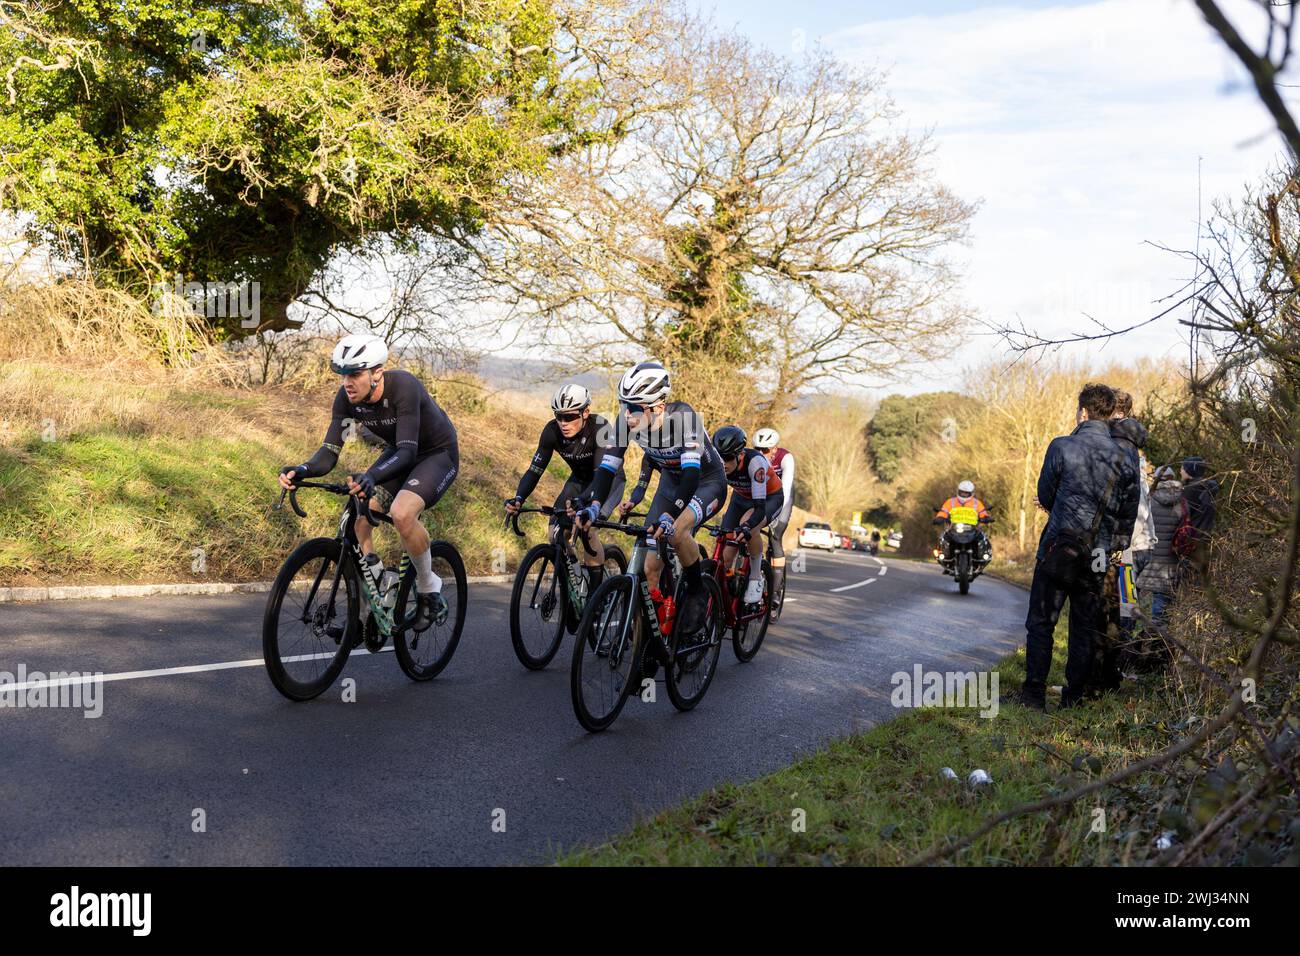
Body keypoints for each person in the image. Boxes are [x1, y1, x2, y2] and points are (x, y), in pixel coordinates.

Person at [279, 334, 458, 631]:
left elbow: (408, 451)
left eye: (355, 374)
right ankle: (373, 602)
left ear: (377, 372)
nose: (347, 382)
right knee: (359, 516)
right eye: (343, 375)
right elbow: (329, 453)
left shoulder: (404, 387)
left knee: (401, 513)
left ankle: (429, 589)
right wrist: (302, 469)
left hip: (436, 455)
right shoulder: (347, 400)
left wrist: (372, 476)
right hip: (398, 453)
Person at [577, 361, 726, 637]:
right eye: (623, 404)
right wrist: (594, 505)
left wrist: (671, 515)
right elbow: (607, 468)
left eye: (633, 407)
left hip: (705, 482)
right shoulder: (625, 421)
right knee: (649, 567)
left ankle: (696, 591)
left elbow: (691, 476)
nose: (626, 414)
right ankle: (652, 634)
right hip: (671, 483)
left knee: (676, 533)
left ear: (657, 406)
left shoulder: (685, 419)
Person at [1015, 383, 1139, 712]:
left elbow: (1045, 494)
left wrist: (1063, 509)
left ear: (1083, 412)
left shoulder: (1062, 446)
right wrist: (1114, 542)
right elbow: (1129, 509)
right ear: (1109, 413)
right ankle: (1074, 698)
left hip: (1059, 545)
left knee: (1041, 622)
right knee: (1084, 626)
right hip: (1098, 554)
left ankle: (1033, 695)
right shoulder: (1125, 457)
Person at [504, 384, 625, 594]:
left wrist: (583, 503)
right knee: (555, 534)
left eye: (569, 417)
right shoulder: (551, 431)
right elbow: (534, 470)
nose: (563, 423)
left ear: (585, 412)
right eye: (559, 416)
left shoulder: (600, 428)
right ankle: (575, 581)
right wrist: (519, 498)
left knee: (588, 528)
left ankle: (595, 598)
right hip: (578, 480)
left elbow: (601, 478)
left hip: (608, 481)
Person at [713, 425, 784, 604]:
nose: (723, 463)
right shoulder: (719, 464)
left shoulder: (755, 464)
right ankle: (727, 592)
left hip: (768, 499)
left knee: (749, 526)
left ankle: (755, 578)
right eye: (720, 458)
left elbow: (759, 509)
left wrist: (746, 526)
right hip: (740, 498)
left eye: (728, 458)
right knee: (725, 555)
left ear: (740, 454)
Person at [1136, 465, 1183, 633]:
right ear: (1172, 478)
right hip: (1171, 561)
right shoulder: (1182, 500)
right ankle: (1158, 640)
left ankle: (1132, 638)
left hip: (1148, 557)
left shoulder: (1148, 499)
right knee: (1161, 609)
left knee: (1131, 604)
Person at [753, 427, 794, 608]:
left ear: (775, 449)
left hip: (782, 495)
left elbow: (785, 489)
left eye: (765, 450)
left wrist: (775, 515)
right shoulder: (752, 459)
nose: (761, 453)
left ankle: (775, 591)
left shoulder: (786, 458)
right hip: (761, 493)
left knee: (775, 535)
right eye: (757, 449)